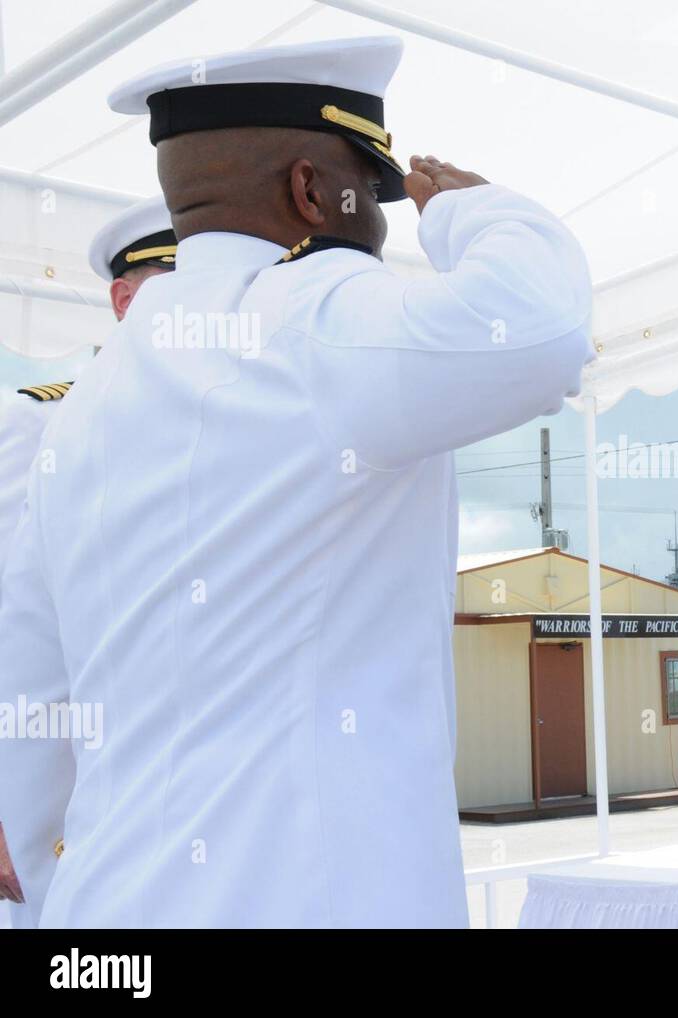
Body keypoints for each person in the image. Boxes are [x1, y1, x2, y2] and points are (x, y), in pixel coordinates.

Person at [0, 35, 593, 928]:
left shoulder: (81, 408)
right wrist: (477, 214)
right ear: (311, 190)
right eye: (377, 198)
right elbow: (541, 331)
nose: (386, 227)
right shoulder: (301, 318)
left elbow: (32, 687)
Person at [0, 196, 176, 926]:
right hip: (56, 800)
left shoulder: (246, 423)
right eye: (182, 282)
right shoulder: (37, 423)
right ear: (124, 299)